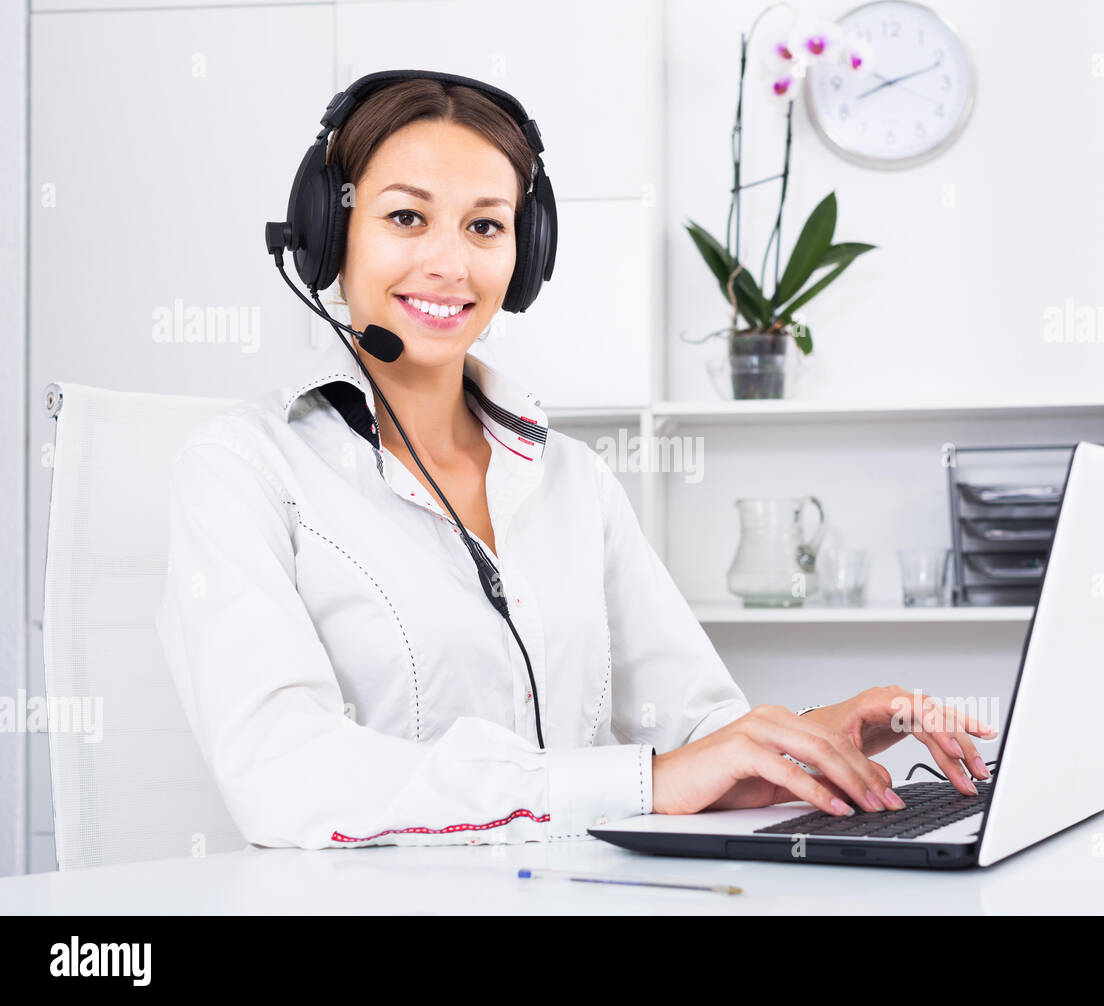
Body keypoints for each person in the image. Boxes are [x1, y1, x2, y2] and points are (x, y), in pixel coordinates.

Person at [155, 76, 995, 851]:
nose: (450, 262)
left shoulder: (573, 480)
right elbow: (283, 774)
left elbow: (695, 731)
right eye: (407, 217)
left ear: (528, 253)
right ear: (328, 235)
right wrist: (639, 782)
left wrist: (810, 739)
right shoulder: (244, 469)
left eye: (486, 225)